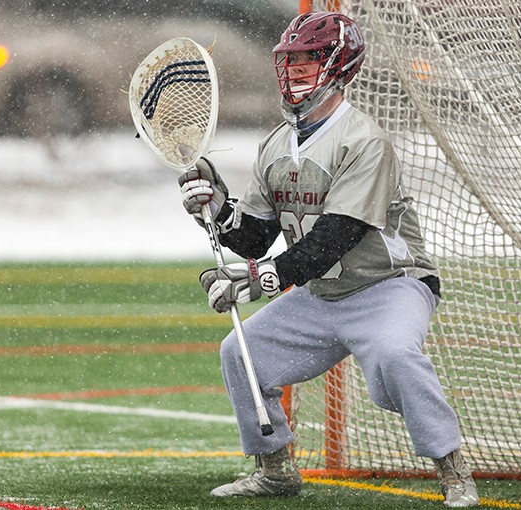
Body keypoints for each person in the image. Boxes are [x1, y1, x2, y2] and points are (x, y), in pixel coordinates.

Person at [177, 11, 479, 508]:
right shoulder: (276, 143)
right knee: (241, 352)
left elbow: (335, 238)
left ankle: (452, 469)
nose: (294, 71)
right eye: (289, 61)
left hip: (388, 287)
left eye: (308, 60)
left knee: (395, 356)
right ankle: (275, 468)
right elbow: (254, 237)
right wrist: (217, 211)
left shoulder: (364, 141)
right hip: (322, 294)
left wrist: (259, 279)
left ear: (340, 65)